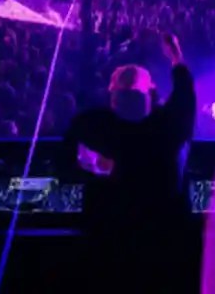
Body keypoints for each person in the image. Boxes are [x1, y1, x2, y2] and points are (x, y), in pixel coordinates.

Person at [65, 32, 197, 292]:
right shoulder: (166, 127)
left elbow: (66, 162)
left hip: (108, 244)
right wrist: (176, 57)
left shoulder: (93, 125)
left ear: (112, 96)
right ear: (151, 94)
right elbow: (184, 98)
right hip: (162, 244)